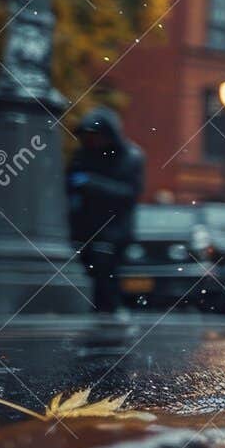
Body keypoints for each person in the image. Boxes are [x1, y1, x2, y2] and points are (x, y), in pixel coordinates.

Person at [66, 108, 145, 312]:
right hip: (84, 228)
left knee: (106, 273)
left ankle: (108, 312)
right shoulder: (83, 155)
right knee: (88, 270)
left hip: (114, 230)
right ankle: (99, 312)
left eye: (96, 136)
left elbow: (129, 193)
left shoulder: (131, 157)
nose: (92, 141)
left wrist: (92, 184)